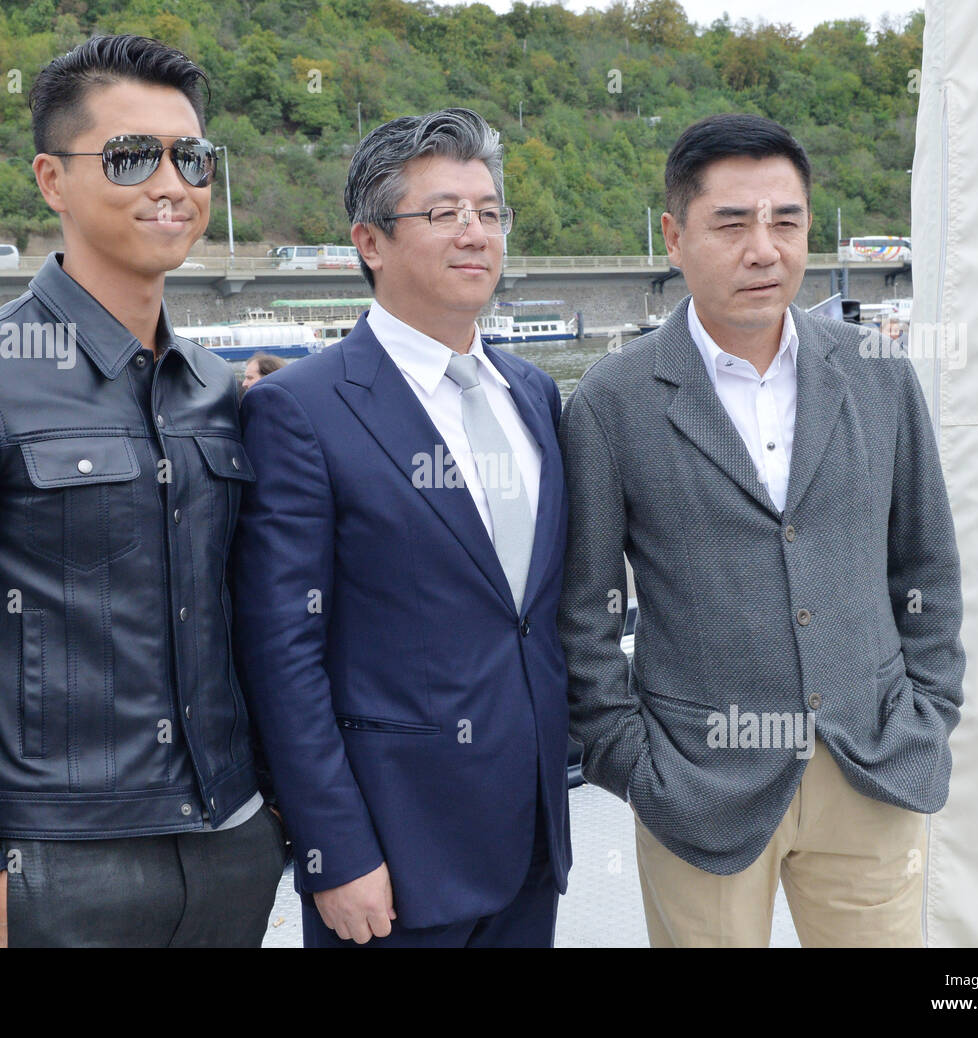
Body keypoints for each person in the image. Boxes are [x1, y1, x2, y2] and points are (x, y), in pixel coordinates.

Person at [0, 34, 286, 948]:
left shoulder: (217, 390)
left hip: (233, 851)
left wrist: (269, 821)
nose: (172, 182)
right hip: (61, 870)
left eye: (192, 157)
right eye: (131, 157)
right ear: (53, 180)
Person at [559, 112, 966, 948]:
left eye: (786, 221)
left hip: (872, 762)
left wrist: (930, 708)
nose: (764, 248)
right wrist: (630, 760)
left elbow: (927, 558)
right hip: (698, 782)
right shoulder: (613, 400)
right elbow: (586, 610)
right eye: (732, 223)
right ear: (675, 236)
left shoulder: (876, 371)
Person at [233, 108, 572, 947]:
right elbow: (282, 654)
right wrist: (333, 852)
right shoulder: (301, 409)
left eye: (489, 212)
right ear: (371, 242)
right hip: (392, 859)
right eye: (443, 212)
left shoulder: (532, 395)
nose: (474, 233)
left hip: (532, 840)